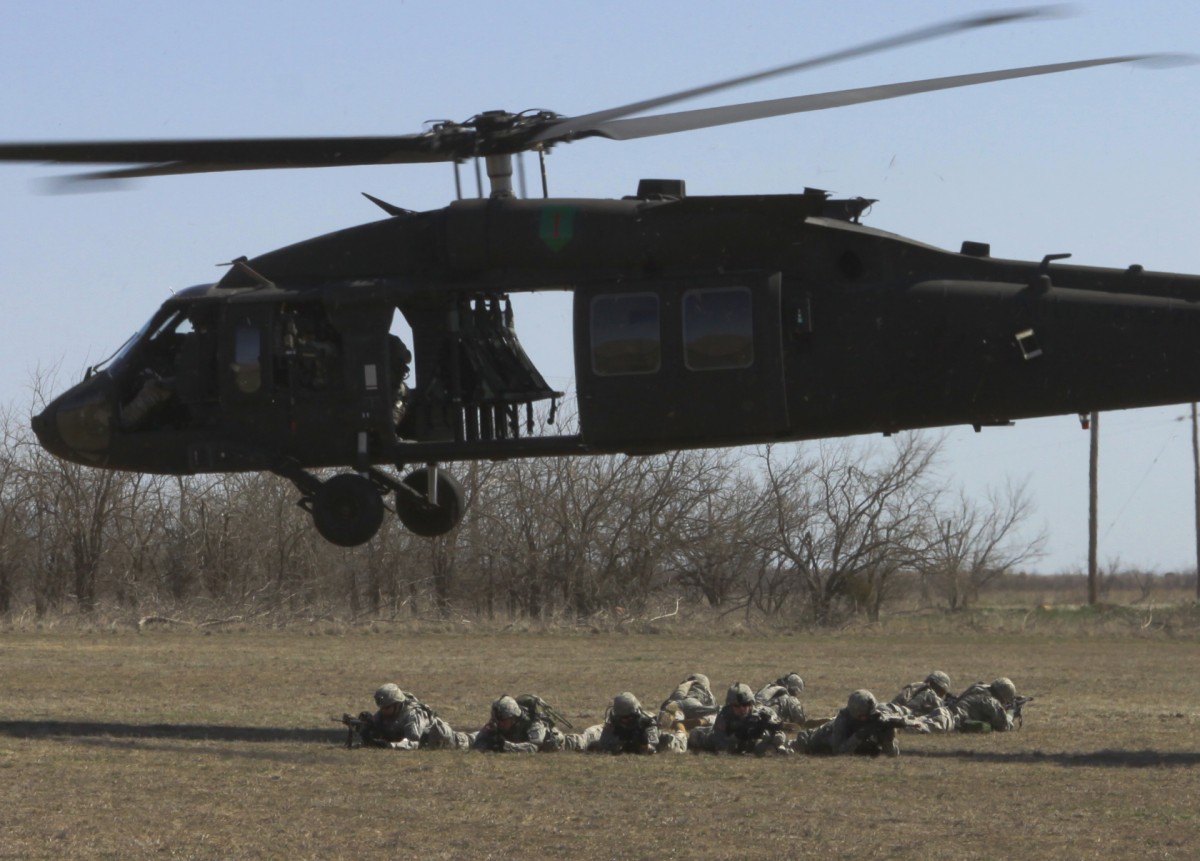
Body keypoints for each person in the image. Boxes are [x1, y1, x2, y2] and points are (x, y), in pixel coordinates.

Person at [354, 683, 470, 750]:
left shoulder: (412, 715)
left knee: (475, 739)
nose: (382, 711)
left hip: (451, 742)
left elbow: (414, 743)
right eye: (381, 708)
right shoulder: (385, 713)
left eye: (387, 707)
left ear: (397, 705)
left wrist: (390, 745)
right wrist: (363, 728)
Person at [692, 683, 791, 756]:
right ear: (730, 705)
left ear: (751, 703)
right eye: (737, 706)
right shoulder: (725, 715)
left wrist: (762, 733)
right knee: (695, 735)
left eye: (745, 704)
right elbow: (720, 745)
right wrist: (737, 736)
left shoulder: (763, 714)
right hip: (716, 736)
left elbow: (780, 736)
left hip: (753, 742)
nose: (742, 709)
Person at [795, 689, 901, 757]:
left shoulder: (876, 718)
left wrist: (889, 736)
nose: (866, 719)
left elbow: (892, 754)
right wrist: (860, 735)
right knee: (796, 746)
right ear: (854, 713)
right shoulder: (843, 720)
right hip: (811, 740)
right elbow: (838, 752)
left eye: (868, 716)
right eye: (862, 716)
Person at [472, 694, 565, 753]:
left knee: (573, 741)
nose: (499, 724)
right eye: (496, 720)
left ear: (513, 717)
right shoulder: (497, 721)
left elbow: (534, 747)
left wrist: (505, 746)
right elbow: (479, 741)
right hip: (515, 741)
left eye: (503, 720)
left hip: (554, 742)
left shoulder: (532, 723)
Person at [590, 692, 661, 755]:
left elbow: (652, 747)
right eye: (622, 718)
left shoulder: (646, 722)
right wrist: (619, 741)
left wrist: (643, 744)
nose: (625, 721)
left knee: (669, 740)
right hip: (606, 735)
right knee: (590, 736)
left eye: (628, 718)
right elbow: (604, 744)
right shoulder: (613, 722)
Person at [949, 677, 1019, 732]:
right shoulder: (992, 702)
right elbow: (1004, 726)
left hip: (951, 713)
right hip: (957, 721)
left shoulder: (977, 688)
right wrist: (1010, 713)